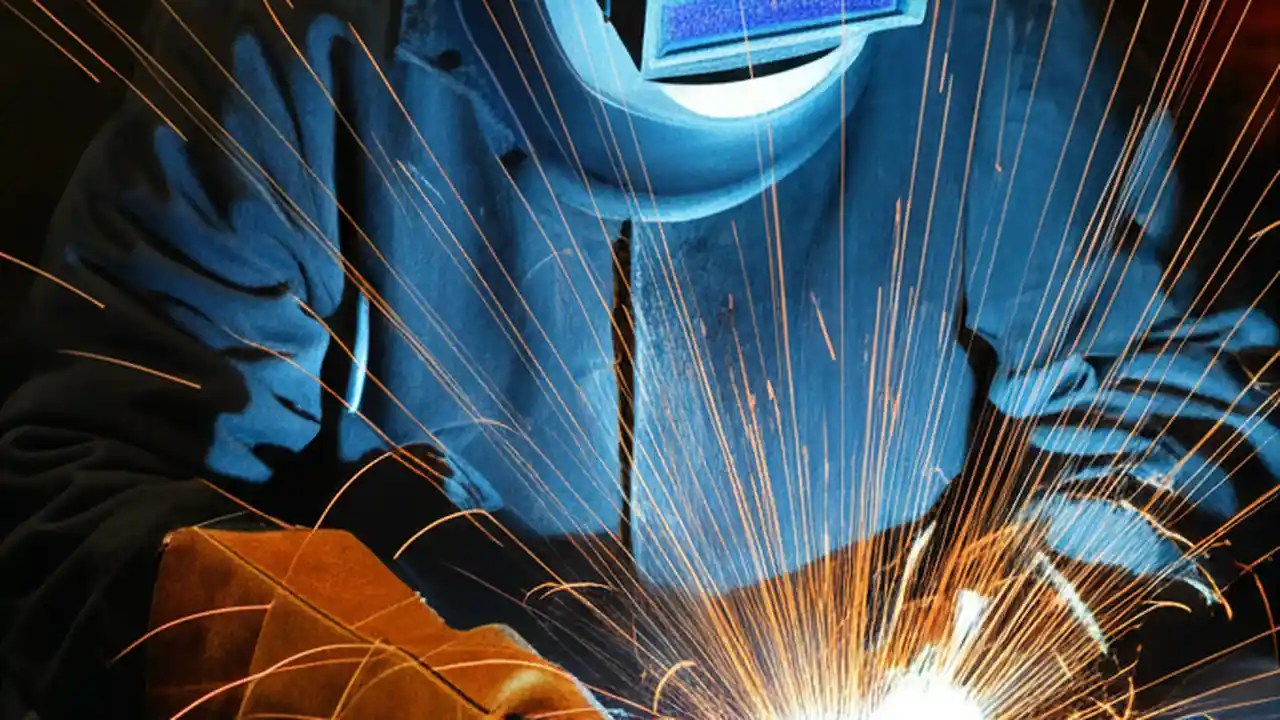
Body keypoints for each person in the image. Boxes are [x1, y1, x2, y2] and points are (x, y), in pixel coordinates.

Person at [1, 0, 1276, 717]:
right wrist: (355, 690)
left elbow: (1173, 387)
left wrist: (1016, 624)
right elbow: (69, 496)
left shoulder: (981, 41)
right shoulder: (299, 58)